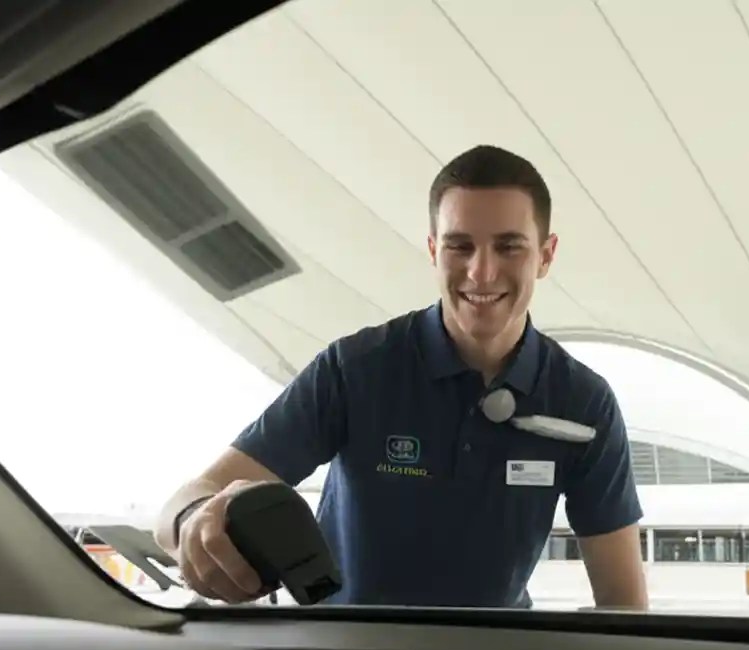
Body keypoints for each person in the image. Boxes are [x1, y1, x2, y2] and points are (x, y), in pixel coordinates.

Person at [154, 144, 648, 610]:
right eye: (460, 246)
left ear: (546, 255)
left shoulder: (584, 404)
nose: (481, 272)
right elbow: (180, 506)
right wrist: (194, 522)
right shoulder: (355, 370)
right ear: (433, 250)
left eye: (509, 247)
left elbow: (624, 605)